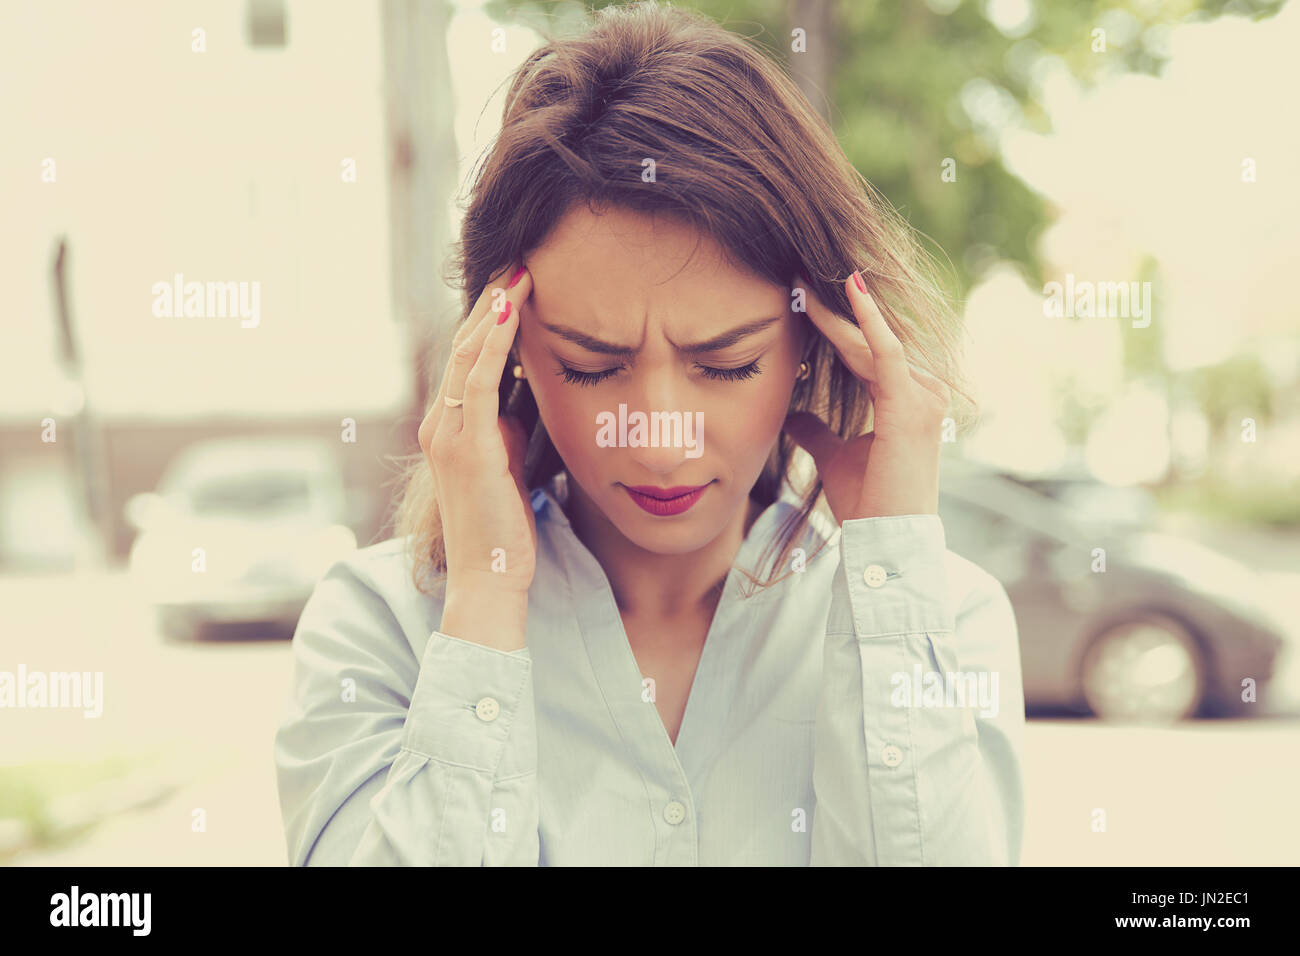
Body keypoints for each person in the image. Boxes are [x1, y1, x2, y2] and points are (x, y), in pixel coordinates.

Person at [274, 0, 1024, 866]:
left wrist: (892, 572)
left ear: (816, 347)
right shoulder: (382, 629)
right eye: (593, 366)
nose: (660, 439)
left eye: (726, 363)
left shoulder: (943, 623)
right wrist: (483, 599)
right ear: (505, 351)